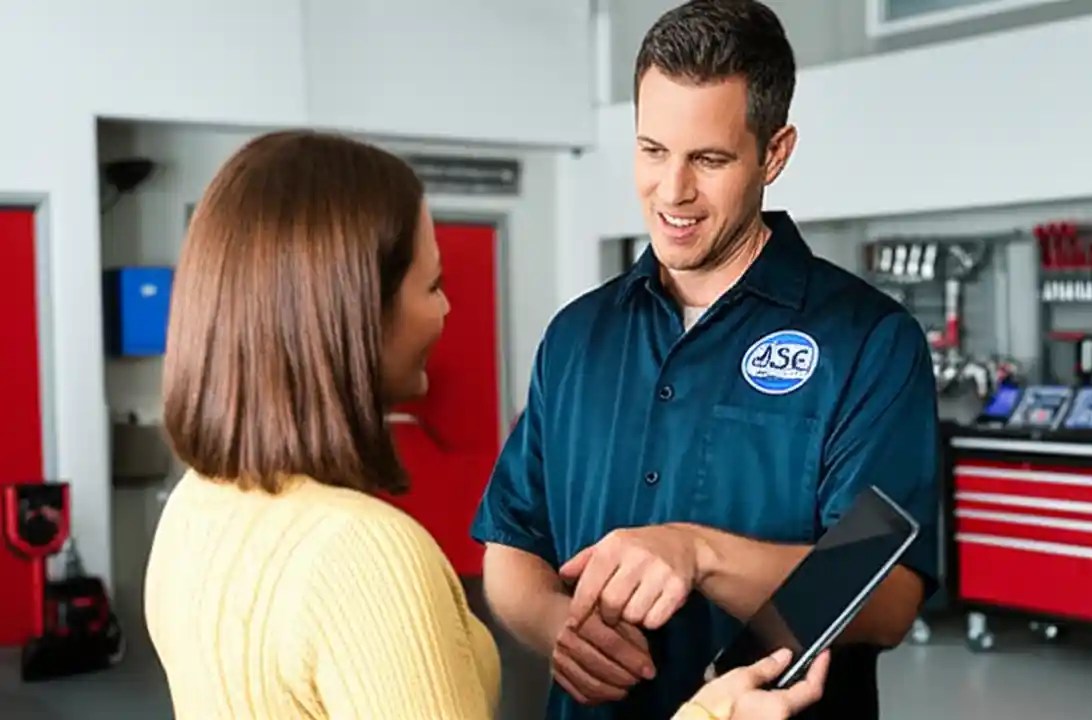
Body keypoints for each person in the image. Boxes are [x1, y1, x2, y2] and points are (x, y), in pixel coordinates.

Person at [143, 129, 828, 720]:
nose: (444, 312)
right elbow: (514, 530)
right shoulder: (363, 553)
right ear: (354, 316)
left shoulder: (195, 505)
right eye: (431, 285)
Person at [470, 1, 941, 719]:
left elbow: (887, 602)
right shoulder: (578, 336)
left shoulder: (869, 342)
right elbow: (511, 543)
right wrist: (555, 625)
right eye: (652, 150)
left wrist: (699, 553)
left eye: (709, 159)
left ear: (774, 153)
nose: (672, 191)